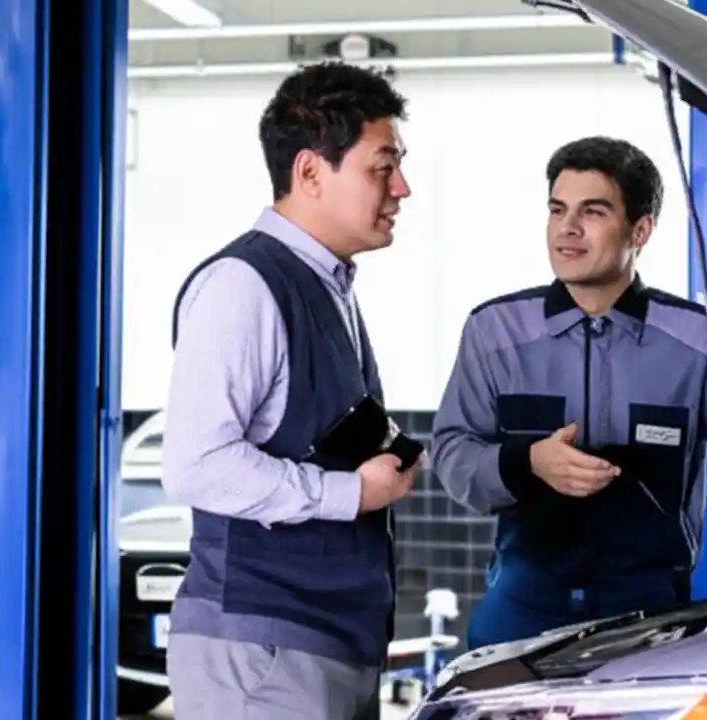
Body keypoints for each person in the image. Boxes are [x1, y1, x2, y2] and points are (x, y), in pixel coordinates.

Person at [431, 136, 707, 650]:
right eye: (558, 210)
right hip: (522, 615)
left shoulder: (700, 341)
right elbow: (452, 453)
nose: (567, 229)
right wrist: (526, 462)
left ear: (639, 230)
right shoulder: (496, 332)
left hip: (649, 621)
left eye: (591, 212)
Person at [161, 61, 420, 720]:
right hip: (264, 650)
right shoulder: (242, 286)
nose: (403, 188)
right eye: (381, 167)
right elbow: (197, 464)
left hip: (328, 640)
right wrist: (351, 492)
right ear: (309, 172)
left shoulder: (329, 286)